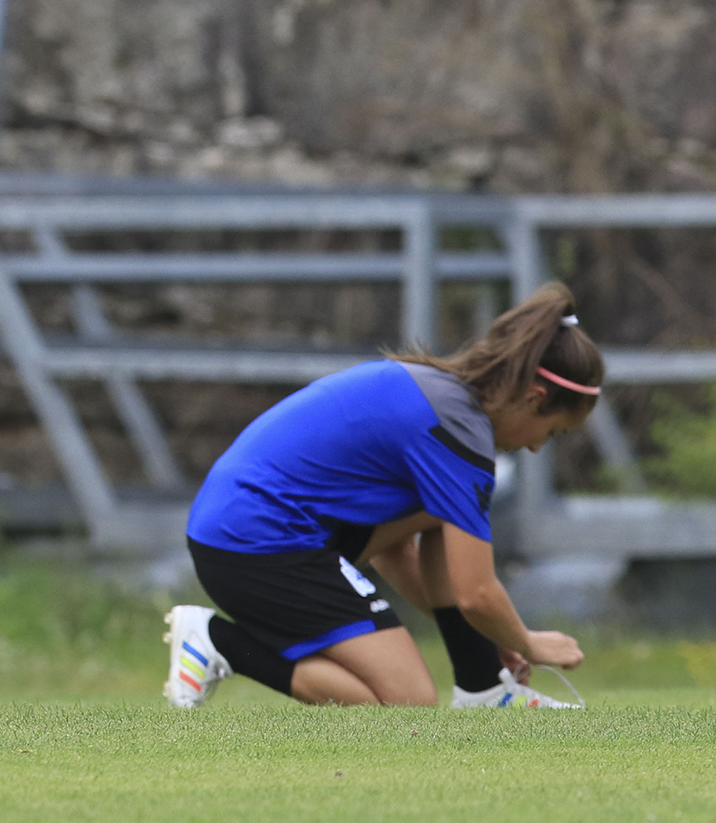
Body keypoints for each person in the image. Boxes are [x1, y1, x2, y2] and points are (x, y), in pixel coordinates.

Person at [162, 283, 601, 708]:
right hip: (258, 544)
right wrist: (527, 641)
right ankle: (218, 642)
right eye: (553, 430)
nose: (537, 446)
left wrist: (488, 644)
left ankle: (486, 689)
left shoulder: (441, 396)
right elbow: (476, 594)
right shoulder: (459, 436)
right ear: (533, 397)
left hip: (239, 533)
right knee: (406, 702)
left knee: (438, 517)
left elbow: (394, 548)